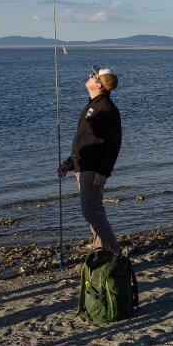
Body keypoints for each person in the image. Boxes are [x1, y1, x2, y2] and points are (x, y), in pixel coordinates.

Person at [58, 66, 124, 255]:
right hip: (83, 166)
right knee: (95, 211)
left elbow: (114, 143)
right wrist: (69, 163)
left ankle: (114, 252)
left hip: (93, 169)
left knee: (91, 211)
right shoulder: (93, 104)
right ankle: (100, 252)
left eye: (93, 75)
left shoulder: (107, 108)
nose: (89, 76)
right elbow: (85, 140)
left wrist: (103, 172)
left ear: (99, 84)